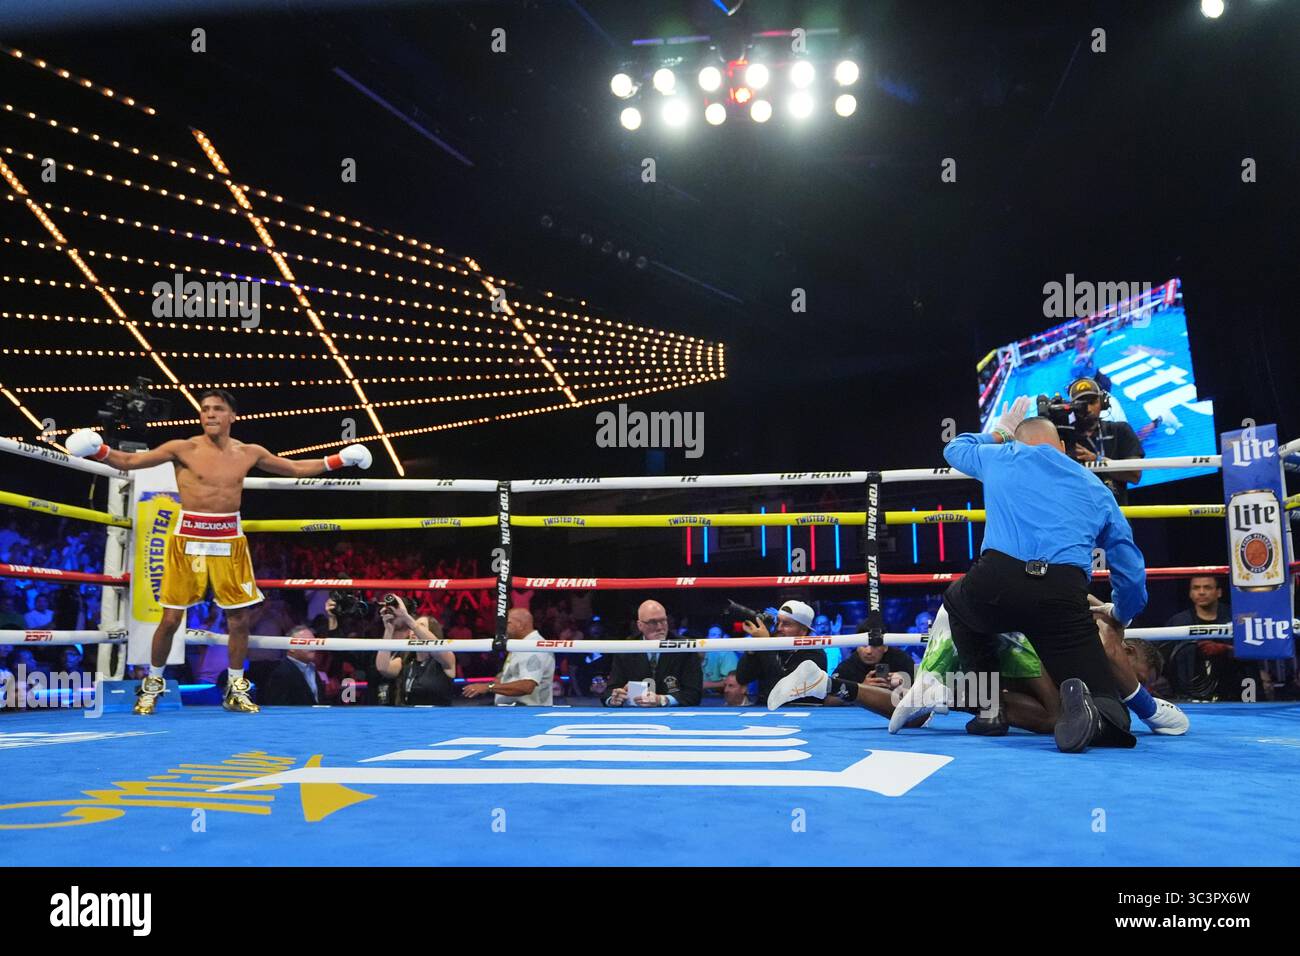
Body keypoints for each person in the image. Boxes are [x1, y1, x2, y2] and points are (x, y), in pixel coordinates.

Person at [65, 388, 373, 715]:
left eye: (217, 409)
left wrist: (340, 459)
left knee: (238, 619)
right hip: (188, 539)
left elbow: (294, 468)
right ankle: (152, 685)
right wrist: (97, 450)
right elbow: (130, 461)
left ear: (231, 416)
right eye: (205, 409)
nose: (209, 414)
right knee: (170, 618)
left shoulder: (248, 452)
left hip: (229, 539)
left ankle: (236, 689)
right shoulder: (182, 447)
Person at [929, 397, 1161, 752]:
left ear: (1016, 442)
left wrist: (999, 433)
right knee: (1106, 699)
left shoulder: (1001, 456)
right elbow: (1129, 565)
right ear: (1064, 448)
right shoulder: (1096, 488)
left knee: (959, 605)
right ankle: (1095, 715)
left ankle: (990, 709)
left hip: (996, 582)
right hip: (1061, 594)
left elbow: (955, 448)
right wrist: (1120, 612)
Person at [601, 600, 702, 707]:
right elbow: (609, 691)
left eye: (663, 621)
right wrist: (614, 698)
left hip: (675, 716)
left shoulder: (685, 647)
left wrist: (662, 700)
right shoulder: (626, 649)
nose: (659, 627)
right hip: (635, 716)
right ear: (640, 625)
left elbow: (694, 694)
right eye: (652, 622)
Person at [1065, 377, 1144, 505]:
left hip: (1117, 512)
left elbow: (1135, 476)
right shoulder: (1064, 438)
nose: (1088, 408)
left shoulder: (1120, 430)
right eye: (1081, 404)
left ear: (1103, 402)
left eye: (1092, 401)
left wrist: (1096, 460)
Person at [734, 600, 827, 707]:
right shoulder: (772, 645)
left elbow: (783, 691)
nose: (778, 628)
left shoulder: (815, 653)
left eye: (786, 624)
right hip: (765, 710)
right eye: (778, 622)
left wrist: (765, 644)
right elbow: (742, 678)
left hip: (801, 711)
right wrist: (754, 648)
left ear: (803, 630)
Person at [462, 607, 554, 706]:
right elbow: (516, 676)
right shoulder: (519, 645)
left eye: (507, 623)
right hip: (514, 709)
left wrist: (488, 686)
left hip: (526, 712)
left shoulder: (532, 647)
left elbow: (527, 685)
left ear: (520, 625)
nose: (502, 628)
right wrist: (500, 680)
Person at [373, 598, 456, 706]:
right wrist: (388, 630)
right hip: (410, 718)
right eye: (412, 627)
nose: (413, 630)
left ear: (431, 632)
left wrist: (407, 618)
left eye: (421, 626)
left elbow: (435, 645)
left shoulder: (445, 659)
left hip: (438, 718)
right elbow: (383, 668)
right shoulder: (406, 660)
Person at [261, 626, 330, 706]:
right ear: (291, 647)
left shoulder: (311, 668)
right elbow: (279, 706)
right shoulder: (281, 673)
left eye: (314, 642)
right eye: (307, 642)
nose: (312, 645)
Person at [700, 625, 738, 697]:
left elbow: (733, 682)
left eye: (719, 635)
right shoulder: (693, 655)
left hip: (722, 697)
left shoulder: (727, 654)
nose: (716, 638)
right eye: (713, 635)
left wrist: (705, 685)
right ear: (706, 638)